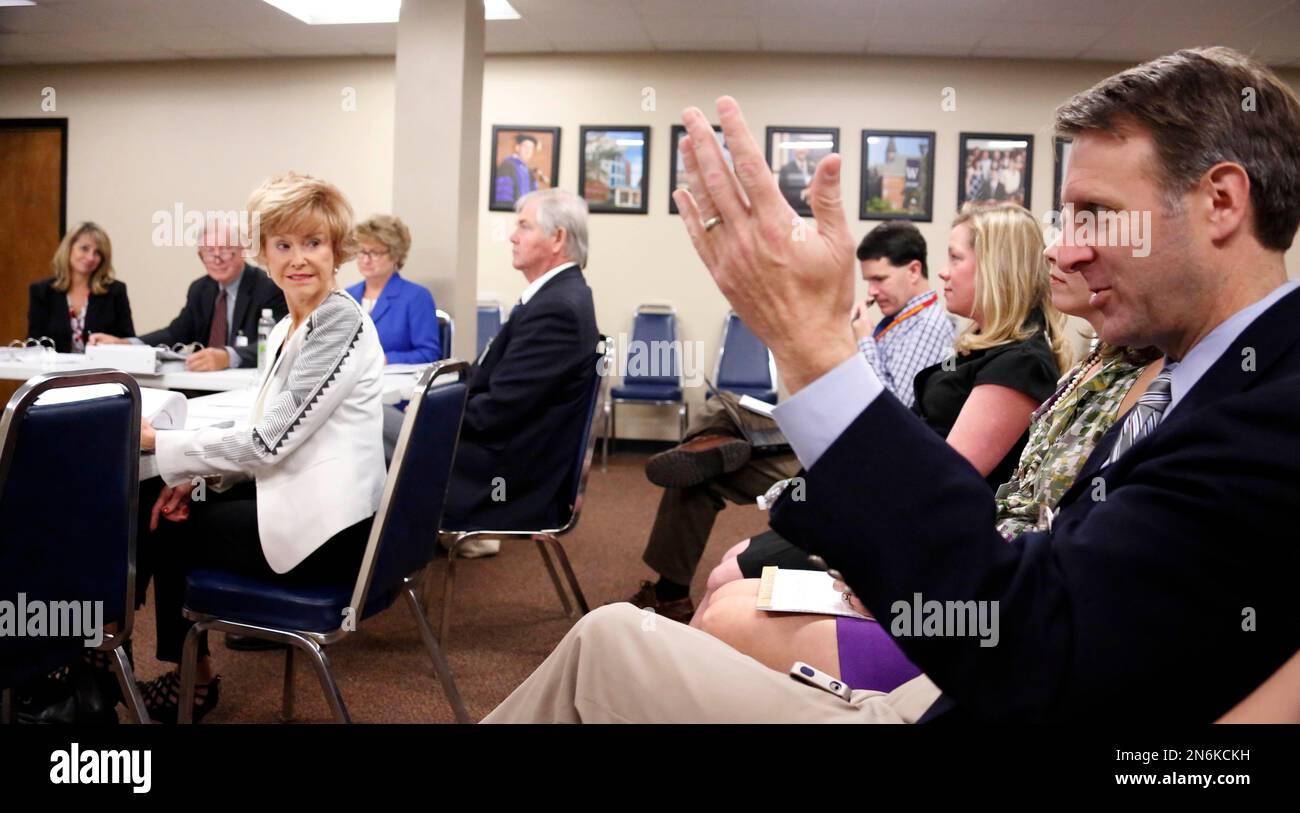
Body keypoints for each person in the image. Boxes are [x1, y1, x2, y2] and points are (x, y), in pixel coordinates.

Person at [485, 46, 1300, 723]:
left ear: (1221, 202)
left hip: (968, 693)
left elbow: (1035, 642)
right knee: (610, 639)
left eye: (1092, 213)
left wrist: (809, 341)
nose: (1069, 248)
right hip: (953, 682)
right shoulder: (1187, 372)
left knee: (619, 649)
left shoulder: (1270, 405)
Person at [693, 237, 1163, 690]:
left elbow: (947, 471)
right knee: (724, 587)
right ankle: (716, 444)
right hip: (958, 567)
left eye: (956, 257)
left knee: (721, 599)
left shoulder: (1025, 363)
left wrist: (901, 574)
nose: (1057, 251)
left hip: (983, 613)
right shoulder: (1088, 363)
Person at [627, 205, 1067, 623]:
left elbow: (936, 471)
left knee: (726, 578)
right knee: (726, 423)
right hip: (881, 479)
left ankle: (727, 445)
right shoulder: (981, 346)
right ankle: (720, 444)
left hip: (900, 515)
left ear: (996, 267)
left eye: (955, 257)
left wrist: (855, 346)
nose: (944, 271)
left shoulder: (1015, 361)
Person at [136, 173, 386, 722]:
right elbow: (276, 437)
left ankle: (163, 675)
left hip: (330, 533)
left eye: (313, 243)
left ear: (337, 250)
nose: (299, 259)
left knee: (156, 521)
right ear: (265, 254)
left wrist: (162, 442)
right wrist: (198, 478)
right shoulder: (290, 328)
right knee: (164, 500)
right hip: (307, 500)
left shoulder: (337, 322)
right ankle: (162, 670)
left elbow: (267, 443)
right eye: (284, 244)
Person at [440, 188, 599, 558]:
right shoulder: (559, 296)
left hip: (504, 476)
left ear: (557, 237)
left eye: (524, 227)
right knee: (382, 425)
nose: (512, 236)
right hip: (507, 455)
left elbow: (495, 413)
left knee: (376, 428)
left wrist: (430, 416)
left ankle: (365, 576)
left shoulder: (557, 309)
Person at [89, 222, 287, 372]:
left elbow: (278, 343)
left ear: (242, 251)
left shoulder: (268, 287)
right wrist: (126, 344)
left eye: (226, 249)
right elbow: (175, 334)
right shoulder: (201, 289)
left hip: (248, 386)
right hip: (204, 383)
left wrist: (227, 357)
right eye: (209, 251)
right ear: (201, 256)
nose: (217, 258)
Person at [345, 214, 441, 462]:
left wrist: (386, 359)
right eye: (361, 251)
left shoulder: (416, 297)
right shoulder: (347, 296)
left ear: (396, 255)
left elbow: (429, 353)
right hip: (351, 391)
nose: (365, 259)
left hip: (394, 400)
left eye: (374, 252)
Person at [28, 222, 134, 353]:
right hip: (54, 371)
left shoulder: (115, 291)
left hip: (101, 370)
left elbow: (128, 340)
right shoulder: (42, 291)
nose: (90, 257)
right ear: (69, 248)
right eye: (84, 248)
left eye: (98, 253)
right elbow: (34, 344)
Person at [494, 134, 539, 207]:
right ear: (517, 148)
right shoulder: (507, 166)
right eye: (526, 147)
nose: (528, 151)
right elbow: (503, 197)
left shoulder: (529, 172)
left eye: (531, 148)